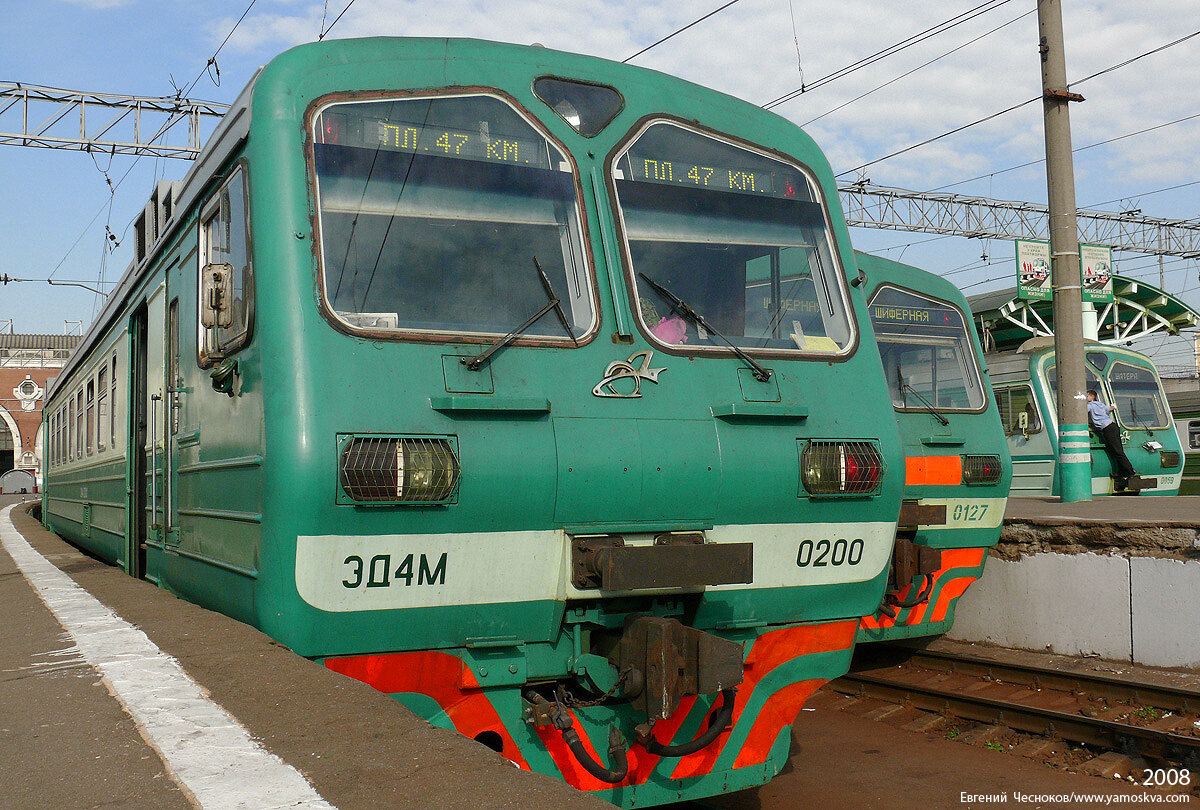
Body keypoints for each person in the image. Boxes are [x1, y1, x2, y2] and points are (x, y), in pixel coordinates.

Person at [1087, 389, 1137, 490]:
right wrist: (1113, 406)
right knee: (1117, 450)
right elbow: (1110, 408)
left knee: (1117, 451)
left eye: (1087, 396)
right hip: (1113, 426)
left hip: (1107, 429)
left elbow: (1081, 412)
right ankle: (1121, 472)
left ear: (1092, 397)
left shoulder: (1090, 405)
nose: (1085, 398)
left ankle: (1130, 472)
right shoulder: (1100, 404)